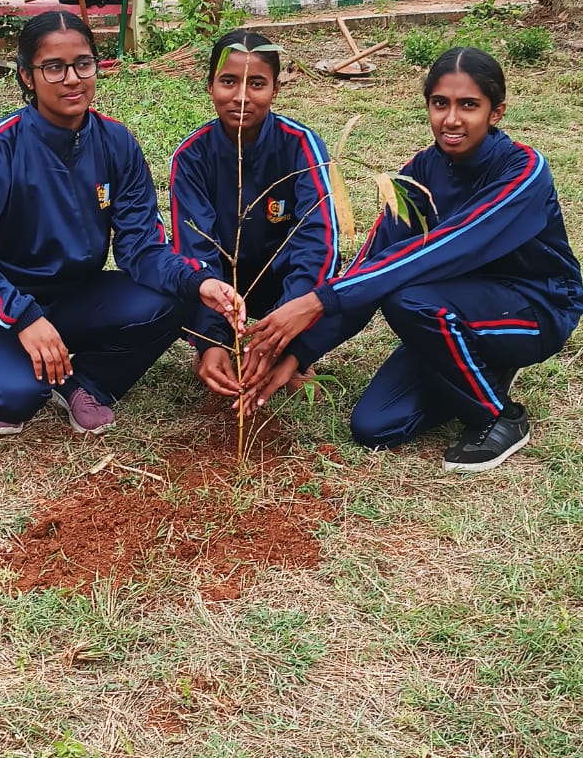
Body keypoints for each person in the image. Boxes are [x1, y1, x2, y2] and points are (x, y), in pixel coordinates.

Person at [242, 47, 583, 473]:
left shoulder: (524, 170)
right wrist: (297, 354)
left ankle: (499, 416)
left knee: (407, 297)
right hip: (454, 307)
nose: (451, 119)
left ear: (497, 113)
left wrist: (317, 300)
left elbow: (446, 247)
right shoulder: (417, 173)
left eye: (469, 105)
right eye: (440, 103)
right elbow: (371, 265)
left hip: (535, 307)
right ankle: (485, 362)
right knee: (374, 425)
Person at [0, 12, 242, 437]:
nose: (72, 78)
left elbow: (141, 247)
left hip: (72, 296)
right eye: (54, 67)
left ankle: (84, 382)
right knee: (12, 402)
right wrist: (21, 317)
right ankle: (17, 366)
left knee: (179, 296)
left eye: (83, 63)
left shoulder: (116, 143)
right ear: (26, 75)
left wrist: (199, 282)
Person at [169, 28, 341, 399]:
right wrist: (211, 341)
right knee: (178, 270)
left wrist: (281, 336)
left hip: (281, 281)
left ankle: (293, 353)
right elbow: (195, 250)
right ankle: (217, 344)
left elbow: (319, 245)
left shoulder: (301, 146)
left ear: (276, 90)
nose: (242, 97)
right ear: (210, 86)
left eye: (257, 83)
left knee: (336, 276)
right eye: (228, 81)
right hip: (223, 288)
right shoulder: (191, 157)